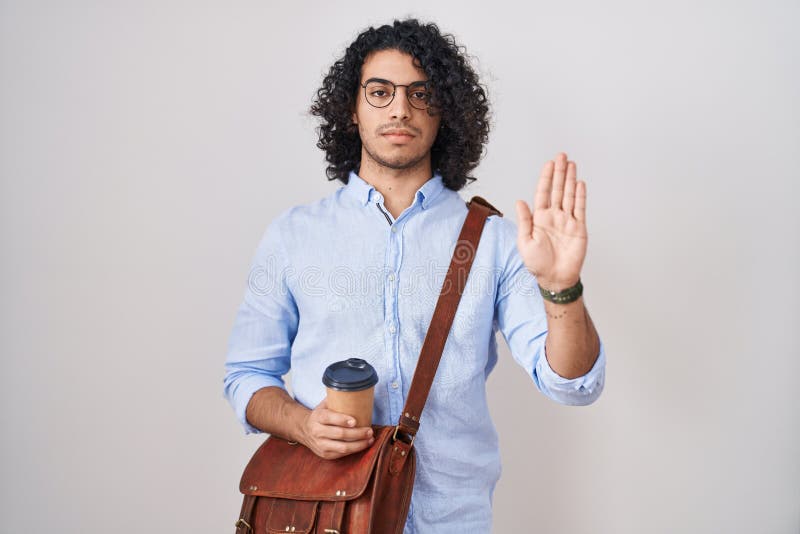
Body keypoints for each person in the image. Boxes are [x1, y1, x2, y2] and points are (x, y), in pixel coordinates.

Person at [224, 18, 606, 532]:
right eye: (380, 92)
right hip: (325, 518)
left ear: (445, 111)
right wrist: (303, 425)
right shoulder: (293, 235)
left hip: (453, 521)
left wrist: (562, 287)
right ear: (352, 110)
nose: (400, 109)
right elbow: (246, 376)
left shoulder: (495, 240)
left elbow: (573, 385)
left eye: (420, 93)